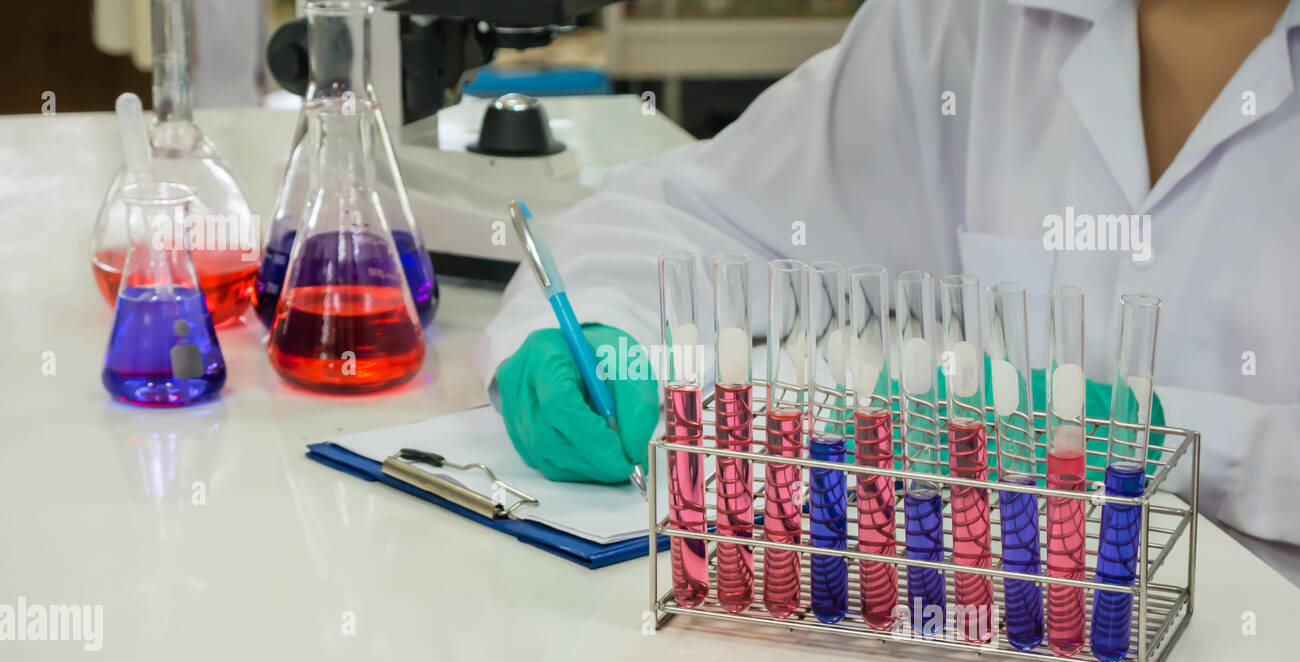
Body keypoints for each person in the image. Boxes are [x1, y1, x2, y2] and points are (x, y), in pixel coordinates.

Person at [471, 0, 1300, 545]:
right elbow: (718, 212)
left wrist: (1173, 441)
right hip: (1012, 654)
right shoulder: (970, 21)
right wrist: (589, 330)